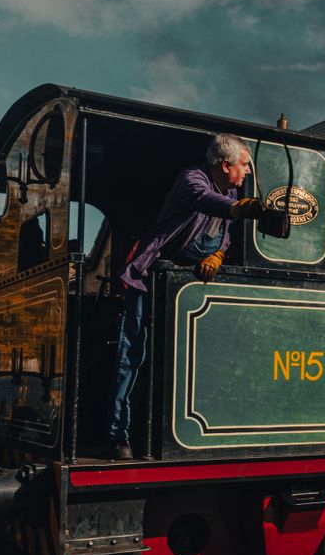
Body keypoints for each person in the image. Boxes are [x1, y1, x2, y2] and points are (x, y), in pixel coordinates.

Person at [106, 133, 263, 459]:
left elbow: (224, 236)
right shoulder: (193, 179)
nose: (248, 172)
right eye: (244, 165)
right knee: (132, 358)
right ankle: (118, 436)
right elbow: (204, 201)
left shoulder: (230, 191)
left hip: (183, 292)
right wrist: (239, 208)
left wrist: (218, 255)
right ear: (225, 164)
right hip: (148, 281)